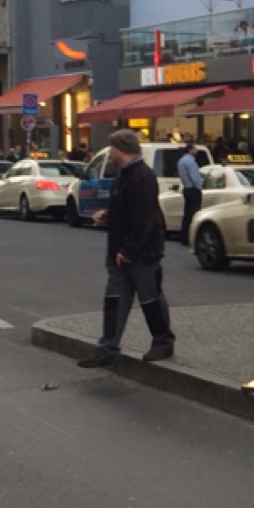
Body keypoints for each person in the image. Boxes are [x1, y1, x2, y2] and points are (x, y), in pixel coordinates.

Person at [77, 129, 176, 367]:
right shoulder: (126, 174)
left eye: (112, 148)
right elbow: (128, 211)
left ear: (121, 150)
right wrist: (109, 216)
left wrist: (129, 250)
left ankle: (162, 341)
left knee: (150, 298)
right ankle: (107, 347)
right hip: (122, 249)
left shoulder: (141, 176)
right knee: (115, 299)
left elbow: (146, 219)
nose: (110, 152)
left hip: (141, 252)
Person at [177, 141, 204, 246]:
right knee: (194, 214)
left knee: (187, 214)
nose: (196, 150)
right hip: (193, 189)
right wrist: (199, 186)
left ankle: (184, 236)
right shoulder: (191, 162)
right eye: (195, 148)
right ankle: (191, 238)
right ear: (190, 149)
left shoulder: (181, 161)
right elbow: (195, 178)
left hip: (186, 188)